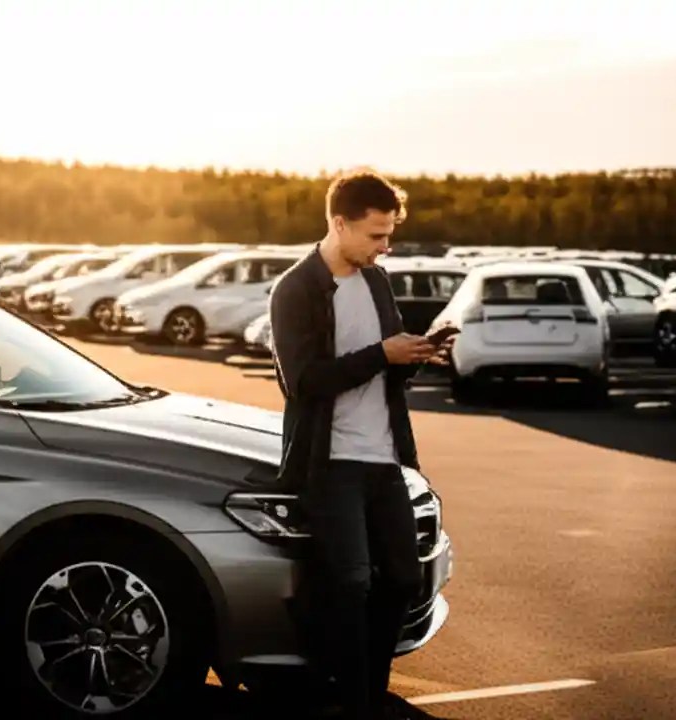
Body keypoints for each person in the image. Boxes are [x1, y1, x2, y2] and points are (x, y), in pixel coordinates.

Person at [267, 168, 454, 719]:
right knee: (349, 583)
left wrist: (417, 355)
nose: (385, 247)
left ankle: (369, 690)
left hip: (383, 459)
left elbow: (386, 370)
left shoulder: (376, 282)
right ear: (339, 223)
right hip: (330, 463)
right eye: (376, 235)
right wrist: (382, 355)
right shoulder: (295, 289)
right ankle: (349, 698)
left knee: (402, 577)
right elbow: (302, 383)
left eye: (389, 234)